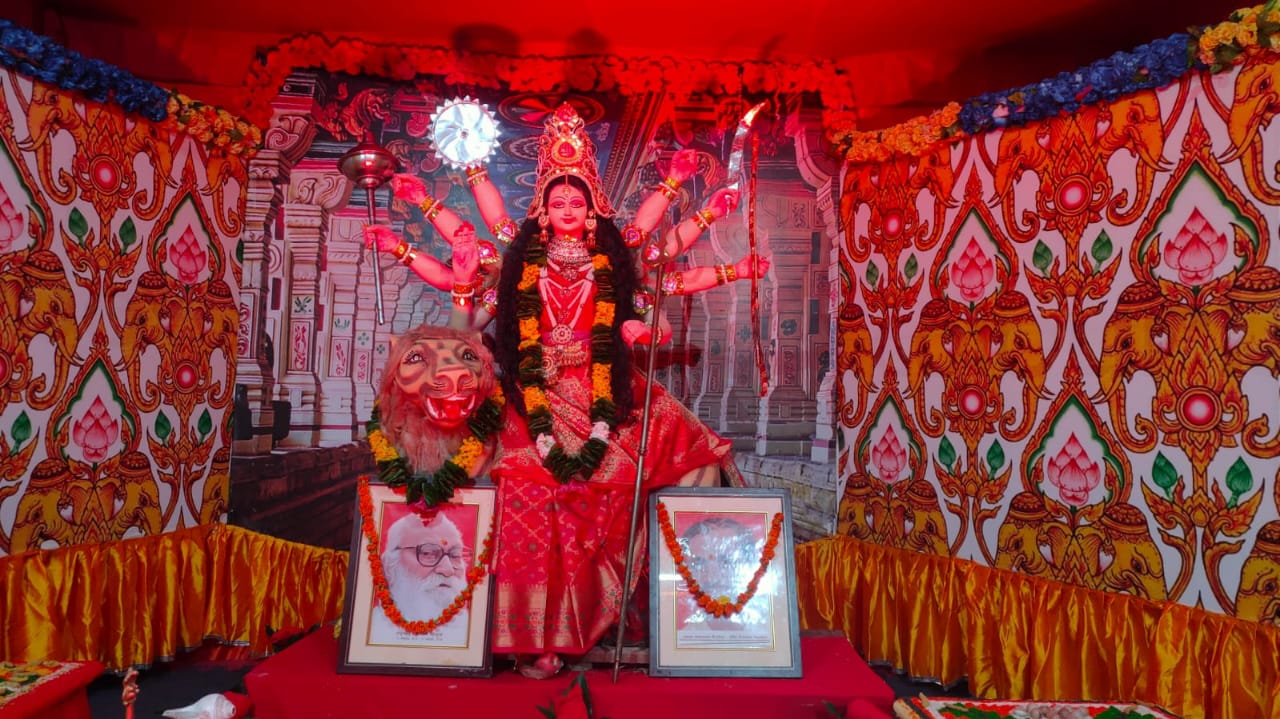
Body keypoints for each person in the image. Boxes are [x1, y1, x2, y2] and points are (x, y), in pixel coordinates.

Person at [367, 102, 767, 678]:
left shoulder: (617, 264)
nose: (568, 210)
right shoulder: (516, 266)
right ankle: (534, 637)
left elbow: (667, 296)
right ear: (543, 210)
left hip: (609, 393)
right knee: (530, 496)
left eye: (577, 201)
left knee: (671, 457)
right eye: (558, 202)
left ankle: (648, 621)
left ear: (592, 208)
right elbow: (468, 331)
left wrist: (644, 329)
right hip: (535, 399)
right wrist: (447, 278)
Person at [369, 511, 471, 647]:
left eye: (456, 555)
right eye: (427, 553)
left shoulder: (472, 634)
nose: (448, 570)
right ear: (388, 567)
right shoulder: (370, 631)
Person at [674, 516, 773, 648]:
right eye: (699, 563)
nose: (712, 577)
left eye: (726, 561)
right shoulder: (682, 646)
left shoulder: (771, 639)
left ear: (750, 564)